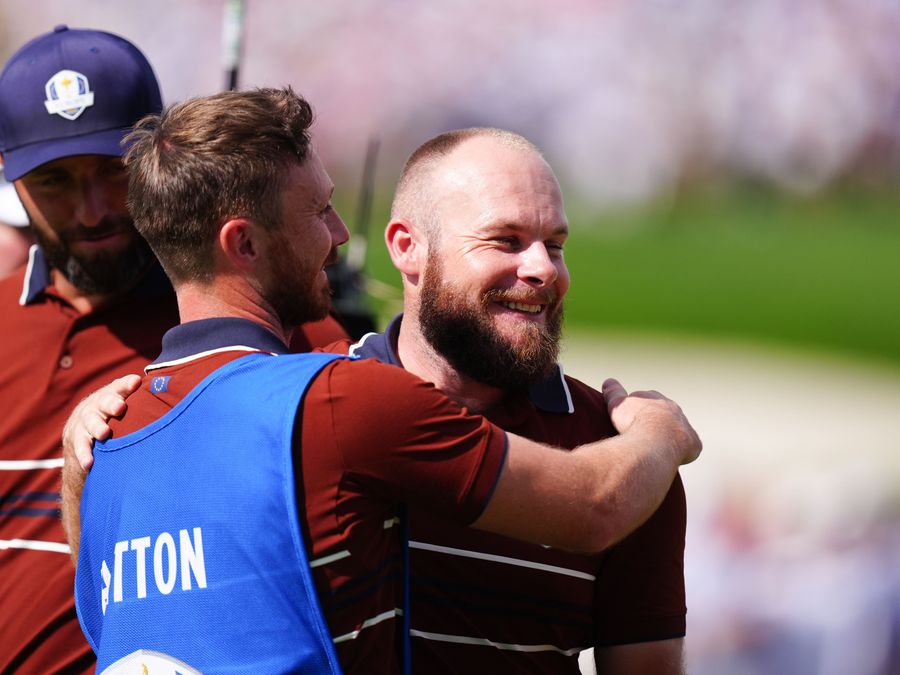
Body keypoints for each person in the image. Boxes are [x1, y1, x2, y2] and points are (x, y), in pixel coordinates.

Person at [61, 86, 701, 674]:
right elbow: (597, 505)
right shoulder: (340, 398)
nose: (341, 235)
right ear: (245, 245)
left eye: (555, 245)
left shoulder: (112, 438)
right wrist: (660, 436)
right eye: (320, 211)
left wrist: (77, 468)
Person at [0, 26, 345, 673]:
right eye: (54, 182)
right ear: (10, 180)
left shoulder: (270, 327)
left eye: (112, 171)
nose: (92, 210)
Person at [339, 128, 688, 673]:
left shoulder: (626, 458)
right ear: (408, 247)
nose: (544, 268)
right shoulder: (314, 404)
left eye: (556, 245)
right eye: (506, 240)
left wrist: (653, 446)